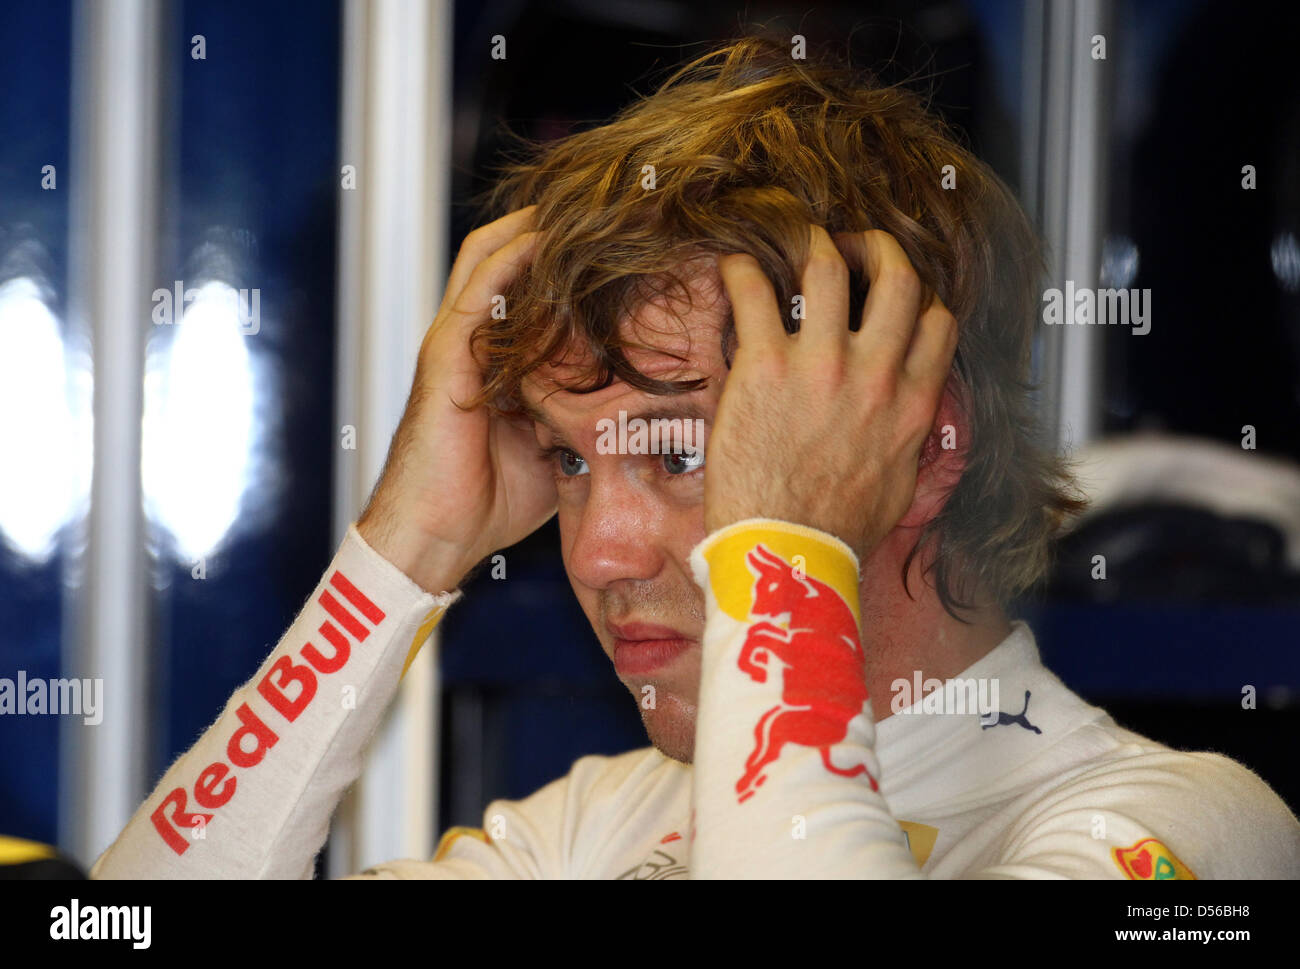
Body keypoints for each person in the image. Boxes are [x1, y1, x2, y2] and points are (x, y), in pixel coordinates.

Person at [91, 36, 1299, 879]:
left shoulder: (1185, 831)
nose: (600, 551)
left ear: (921, 449)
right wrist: (399, 553)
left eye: (675, 454)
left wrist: (784, 553)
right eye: (567, 462)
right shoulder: (592, 830)